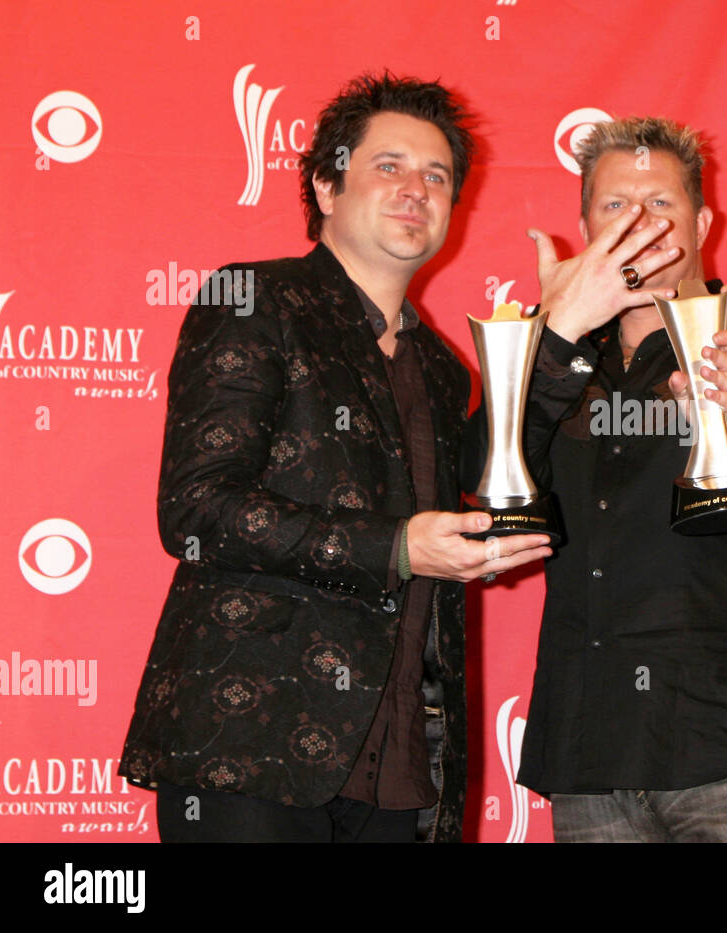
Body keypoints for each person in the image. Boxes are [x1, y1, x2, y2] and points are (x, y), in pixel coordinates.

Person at [119, 73, 550, 843]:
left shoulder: (448, 371)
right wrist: (396, 546)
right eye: (388, 166)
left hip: (401, 759)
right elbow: (198, 508)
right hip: (249, 745)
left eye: (437, 175)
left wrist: (561, 343)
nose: (415, 188)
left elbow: (470, 507)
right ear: (325, 185)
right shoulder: (256, 300)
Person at [466, 117, 727, 842]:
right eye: (615, 207)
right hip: (591, 755)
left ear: (705, 221)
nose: (639, 227)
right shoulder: (540, 353)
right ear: (583, 222)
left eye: (661, 205)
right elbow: (484, 489)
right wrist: (553, 336)